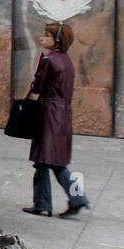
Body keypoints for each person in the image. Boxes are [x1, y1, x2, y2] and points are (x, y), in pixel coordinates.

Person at [24, 22, 90, 218]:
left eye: (46, 35)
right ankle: (49, 202)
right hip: (62, 111)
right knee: (49, 160)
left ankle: (51, 203)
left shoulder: (50, 60)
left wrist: (35, 81)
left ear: (57, 40)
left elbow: (38, 88)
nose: (42, 38)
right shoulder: (67, 61)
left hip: (49, 111)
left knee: (46, 159)